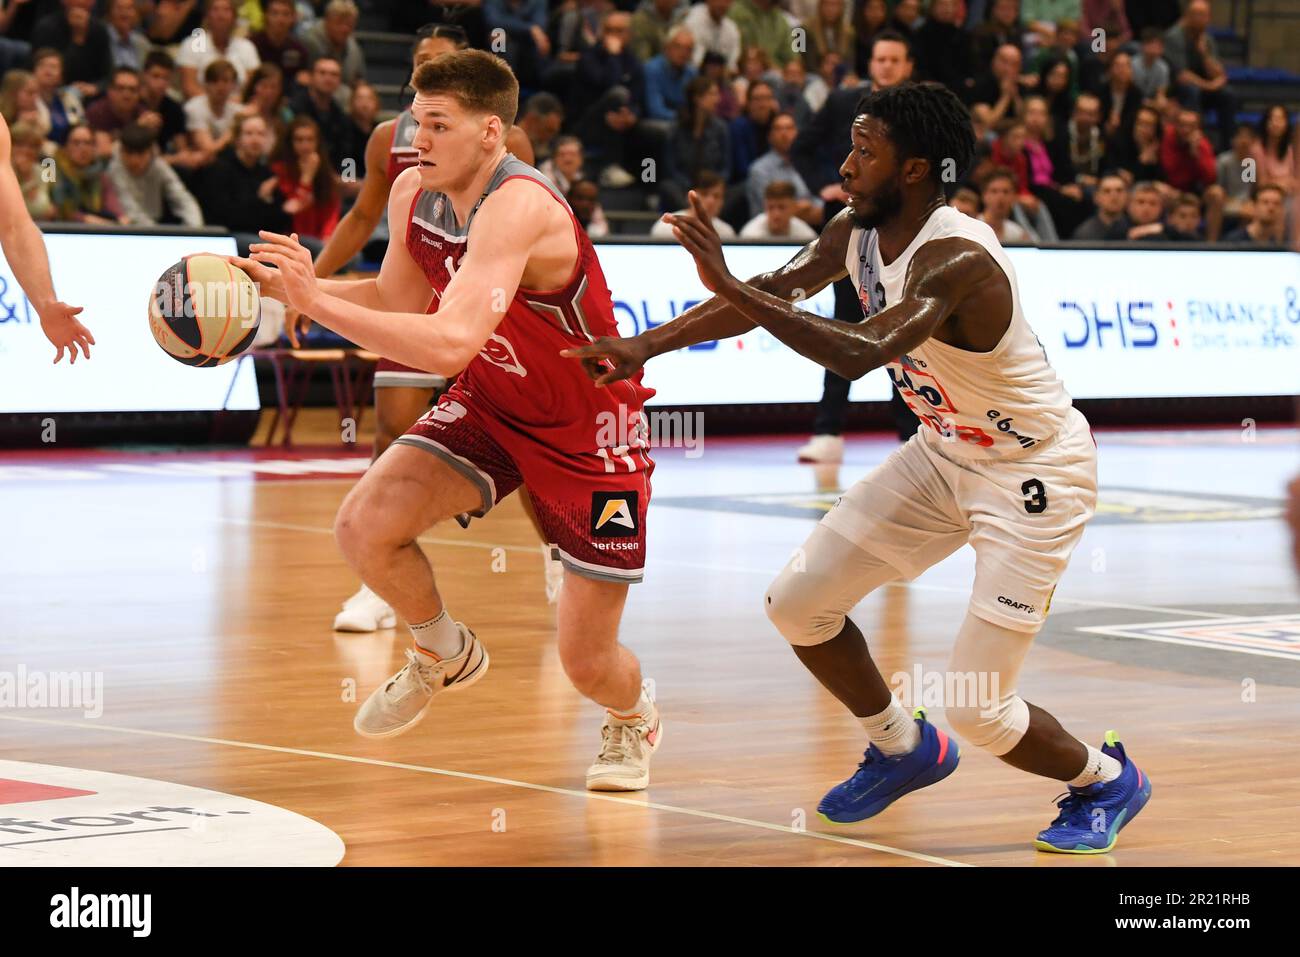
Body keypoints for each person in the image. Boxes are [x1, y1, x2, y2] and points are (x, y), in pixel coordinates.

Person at [566, 80, 1152, 852]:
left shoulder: (957, 256)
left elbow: (861, 349)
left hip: (1032, 475)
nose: (844, 165)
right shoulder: (857, 230)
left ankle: (1105, 781)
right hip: (946, 452)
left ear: (913, 169)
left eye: (864, 150)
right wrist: (646, 345)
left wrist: (735, 287)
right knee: (797, 603)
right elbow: (774, 292)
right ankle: (904, 746)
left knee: (978, 707)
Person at [233, 49, 663, 792]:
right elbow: (400, 299)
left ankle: (634, 718)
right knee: (362, 525)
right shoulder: (412, 192)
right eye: (414, 120)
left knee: (586, 661)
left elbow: (452, 338)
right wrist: (284, 293)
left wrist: (314, 301)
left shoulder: (521, 204)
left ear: (491, 132)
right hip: (494, 403)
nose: (417, 139)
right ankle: (442, 651)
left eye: (438, 124)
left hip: (587, 434)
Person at [310, 23, 544, 632]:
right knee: (390, 432)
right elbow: (367, 224)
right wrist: (304, 281)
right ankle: (384, 589)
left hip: (501, 328)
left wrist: (315, 298)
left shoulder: (510, 154)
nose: (423, 71)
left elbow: (501, 239)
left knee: (528, 462)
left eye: (436, 64)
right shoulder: (393, 144)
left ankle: (559, 552)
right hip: (432, 308)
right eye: (417, 63)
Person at [0, 114, 93, 362]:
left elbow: (24, 221)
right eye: (23, 145)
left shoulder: (46, 166)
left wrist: (46, 303)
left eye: (33, 146)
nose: (27, 151)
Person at [107, 121, 204, 226]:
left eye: (140, 153)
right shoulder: (114, 170)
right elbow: (131, 210)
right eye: (129, 153)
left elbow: (182, 198)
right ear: (121, 151)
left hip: (155, 223)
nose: (134, 160)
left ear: (150, 151)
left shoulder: (158, 166)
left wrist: (196, 228)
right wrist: (156, 235)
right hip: (125, 227)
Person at [739, 179, 819, 239]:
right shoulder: (750, 235)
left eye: (782, 207)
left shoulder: (806, 236)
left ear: (793, 207)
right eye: (771, 207)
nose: (776, 214)